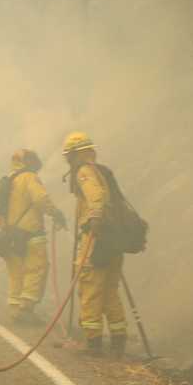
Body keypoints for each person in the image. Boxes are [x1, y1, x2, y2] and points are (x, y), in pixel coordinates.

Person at [62, 131, 128, 358]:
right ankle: (118, 342)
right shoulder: (101, 171)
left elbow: (96, 196)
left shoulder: (84, 172)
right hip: (112, 240)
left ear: (73, 154)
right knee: (110, 291)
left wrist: (94, 220)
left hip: (96, 240)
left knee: (90, 289)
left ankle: (93, 343)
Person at [0, 149, 66, 324]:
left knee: (16, 273)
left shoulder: (8, 180)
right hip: (30, 234)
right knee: (37, 269)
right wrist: (56, 213)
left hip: (10, 235)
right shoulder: (29, 177)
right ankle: (26, 309)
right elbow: (40, 198)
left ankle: (15, 309)